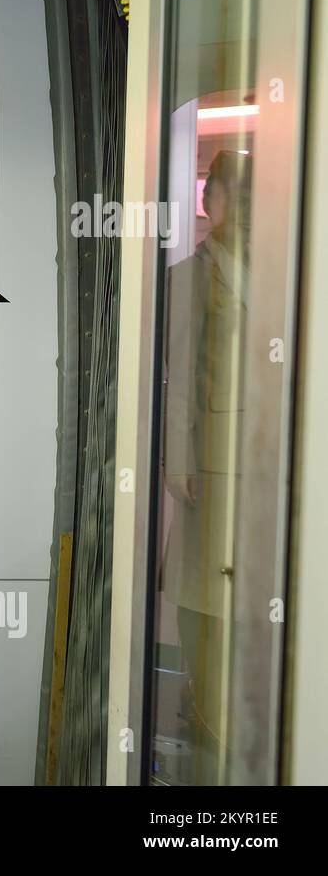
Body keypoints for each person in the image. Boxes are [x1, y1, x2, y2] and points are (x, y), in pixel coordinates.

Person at [161, 149, 251, 780]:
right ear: (208, 200)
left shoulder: (282, 271)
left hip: (267, 455)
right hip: (213, 458)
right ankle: (203, 695)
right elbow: (178, 373)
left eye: (248, 195)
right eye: (227, 193)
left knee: (249, 586)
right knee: (201, 582)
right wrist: (178, 458)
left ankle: (221, 697)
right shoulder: (191, 276)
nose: (238, 206)